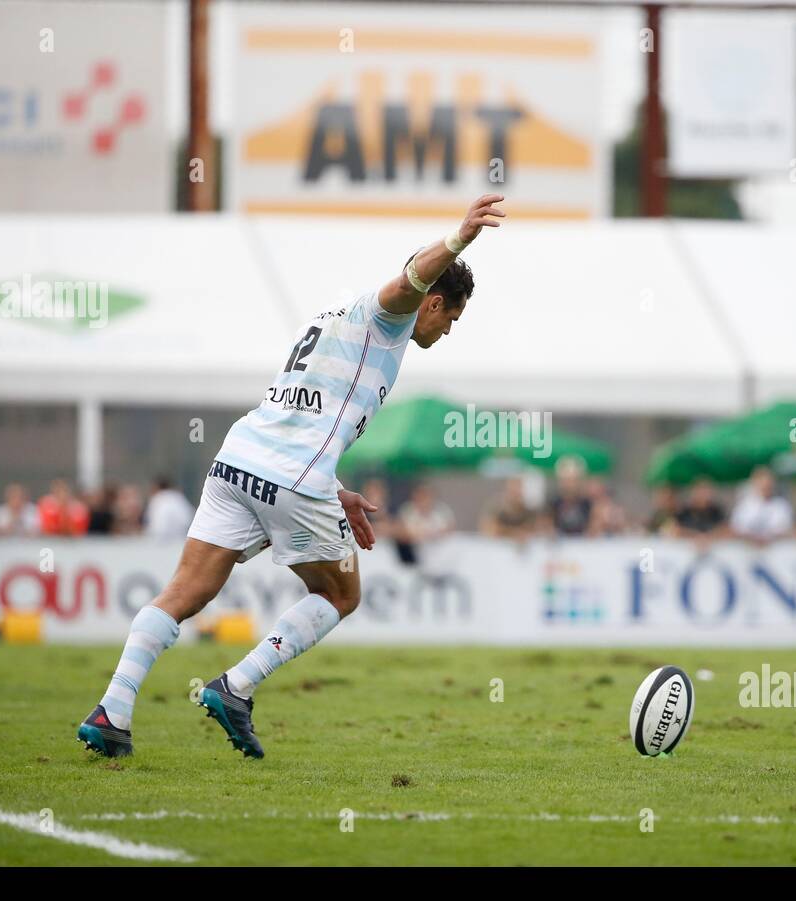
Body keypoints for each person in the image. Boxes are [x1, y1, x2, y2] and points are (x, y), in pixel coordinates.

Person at [77, 193, 504, 760]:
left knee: (184, 592)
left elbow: (304, 420)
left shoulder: (334, 322)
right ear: (433, 303)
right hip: (289, 477)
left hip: (239, 461)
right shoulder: (387, 312)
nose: (450, 330)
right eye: (453, 316)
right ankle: (236, 687)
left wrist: (336, 490)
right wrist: (460, 237)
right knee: (340, 593)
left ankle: (113, 711)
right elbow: (406, 282)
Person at [730, 467, 793, 543]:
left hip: (775, 549)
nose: (765, 486)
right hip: (748, 547)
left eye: (768, 484)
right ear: (755, 483)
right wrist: (753, 538)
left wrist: (767, 538)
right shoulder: (744, 505)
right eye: (762, 483)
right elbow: (736, 529)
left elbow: (785, 530)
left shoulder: (781, 505)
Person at [480, 476, 541, 542]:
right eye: (514, 489)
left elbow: (535, 530)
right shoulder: (497, 507)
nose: (517, 492)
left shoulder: (527, 511)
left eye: (519, 488)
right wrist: (514, 533)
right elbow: (489, 529)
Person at [547, 456, 593, 537]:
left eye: (573, 480)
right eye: (567, 481)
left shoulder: (588, 503)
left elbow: (593, 527)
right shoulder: (553, 503)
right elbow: (547, 526)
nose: (570, 485)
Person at [145, 477, 194, 541]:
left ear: (156, 487)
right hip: (183, 541)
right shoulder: (179, 498)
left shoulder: (157, 499)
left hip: (163, 543)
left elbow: (157, 528)